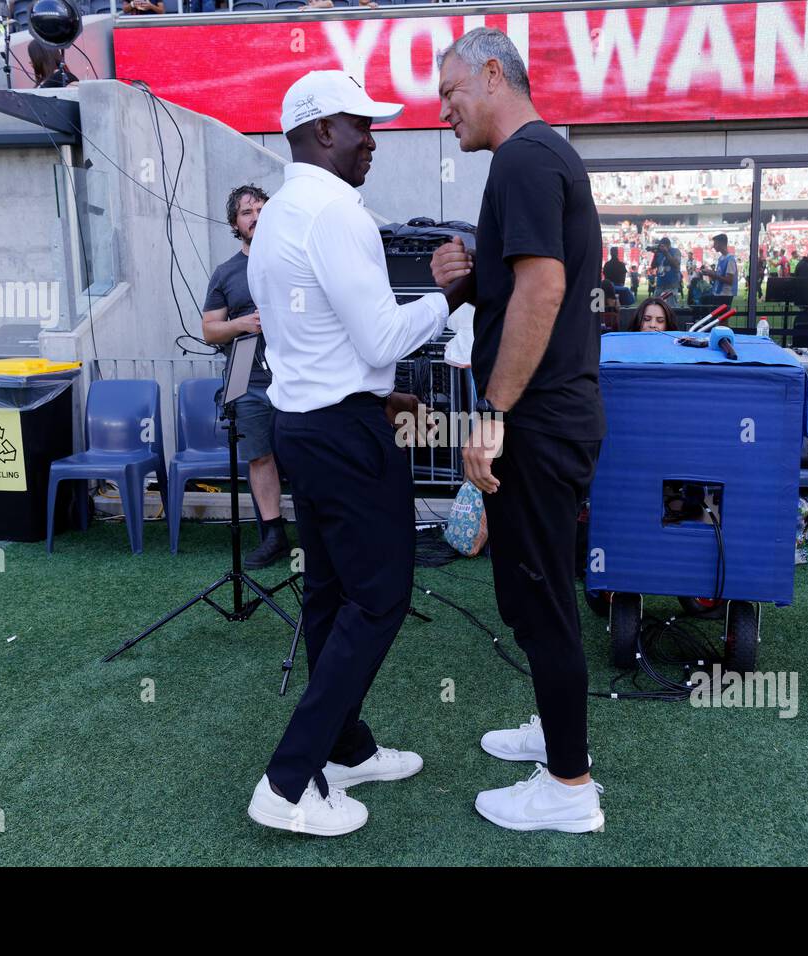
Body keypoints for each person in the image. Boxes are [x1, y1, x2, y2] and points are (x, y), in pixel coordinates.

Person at [243, 71, 472, 837]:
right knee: (379, 598)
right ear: (320, 132)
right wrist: (447, 295)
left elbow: (318, 342)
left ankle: (344, 748)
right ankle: (287, 780)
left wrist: (374, 392)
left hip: (308, 428)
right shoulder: (336, 211)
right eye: (360, 125)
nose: (374, 139)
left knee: (331, 595)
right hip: (344, 434)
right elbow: (379, 338)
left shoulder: (276, 214)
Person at [433, 26, 606, 834]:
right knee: (541, 596)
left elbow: (542, 291)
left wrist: (491, 415)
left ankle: (569, 789)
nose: (444, 112)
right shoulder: (539, 159)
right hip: (550, 419)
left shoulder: (527, 159)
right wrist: (469, 282)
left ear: (493, 74)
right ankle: (555, 729)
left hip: (536, 422)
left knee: (539, 599)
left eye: (451, 93)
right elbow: (521, 289)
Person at [201, 184, 289, 569]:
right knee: (259, 456)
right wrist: (240, 324)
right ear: (235, 224)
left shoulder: (291, 258)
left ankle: (323, 533)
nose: (255, 218)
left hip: (297, 376)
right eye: (246, 213)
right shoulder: (226, 272)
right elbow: (209, 330)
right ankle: (274, 536)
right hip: (249, 382)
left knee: (309, 452)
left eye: (260, 209)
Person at [699, 233, 737, 307]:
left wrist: (713, 274)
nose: (713, 246)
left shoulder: (730, 259)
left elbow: (729, 280)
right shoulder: (721, 258)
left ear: (722, 243)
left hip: (725, 294)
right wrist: (710, 273)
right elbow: (719, 275)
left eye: (715, 243)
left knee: (722, 317)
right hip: (718, 292)